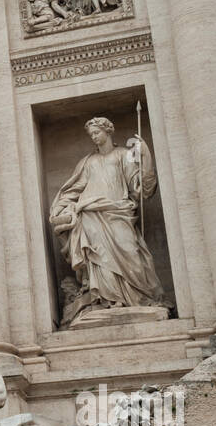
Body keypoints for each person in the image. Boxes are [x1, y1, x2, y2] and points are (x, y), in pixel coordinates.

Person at [50, 116, 166, 316]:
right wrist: (61, 208)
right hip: (91, 213)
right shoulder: (88, 161)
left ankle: (138, 297)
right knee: (98, 257)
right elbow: (74, 189)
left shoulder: (123, 155)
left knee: (131, 253)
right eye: (91, 134)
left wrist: (145, 158)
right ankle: (106, 299)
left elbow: (138, 188)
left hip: (119, 210)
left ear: (108, 131)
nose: (94, 137)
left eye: (97, 132)